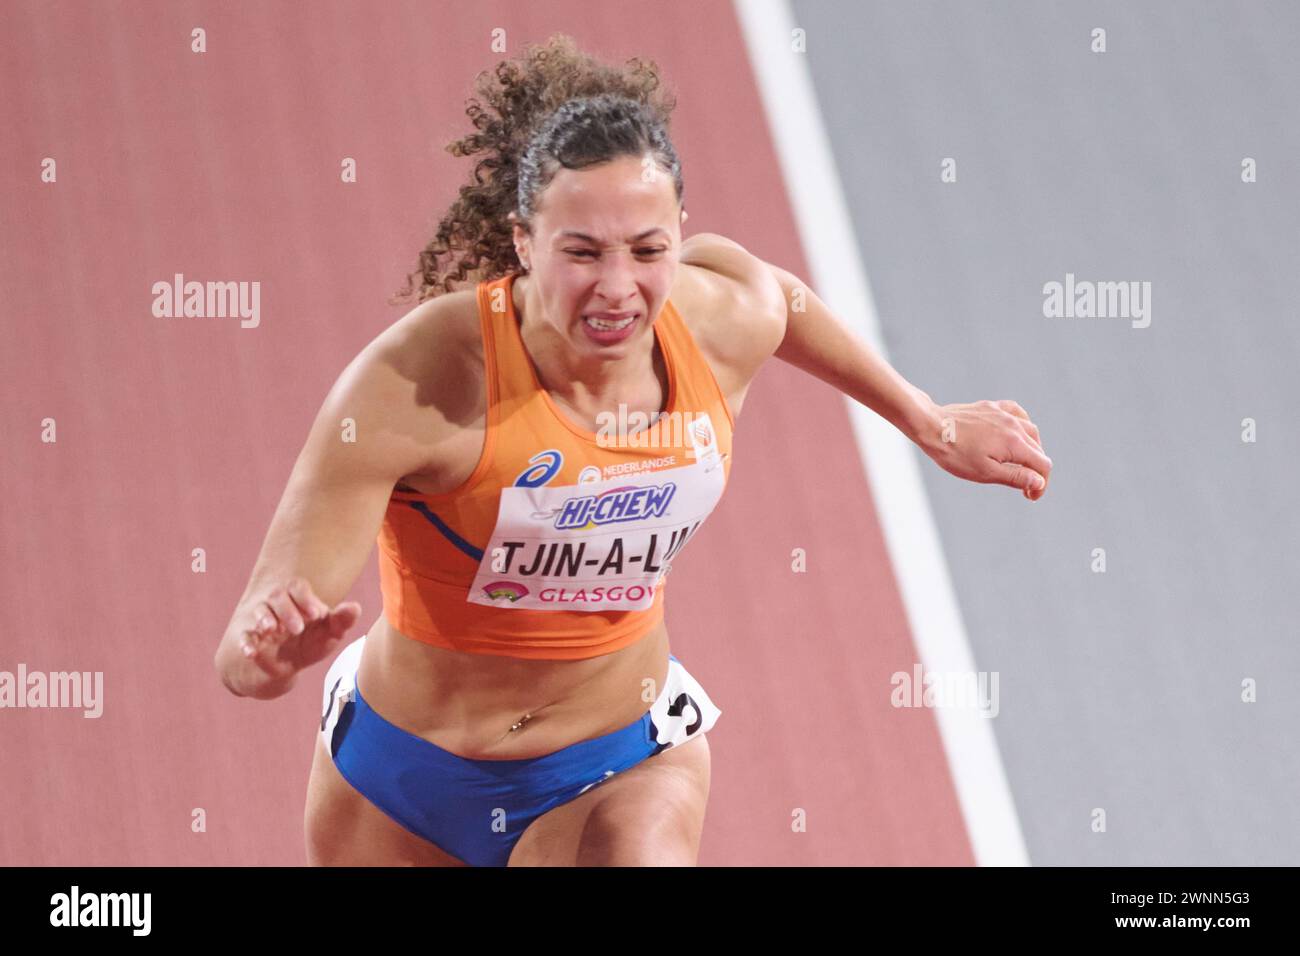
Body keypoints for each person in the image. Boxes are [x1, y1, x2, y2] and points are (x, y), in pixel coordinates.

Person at [212, 34, 1051, 867]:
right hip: (403, 780)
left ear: (680, 232)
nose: (619, 288)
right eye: (581, 252)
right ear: (523, 243)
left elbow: (784, 302)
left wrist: (928, 420)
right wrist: (269, 658)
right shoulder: (416, 387)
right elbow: (246, 654)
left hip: (615, 760)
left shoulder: (713, 319)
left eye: (649, 251)